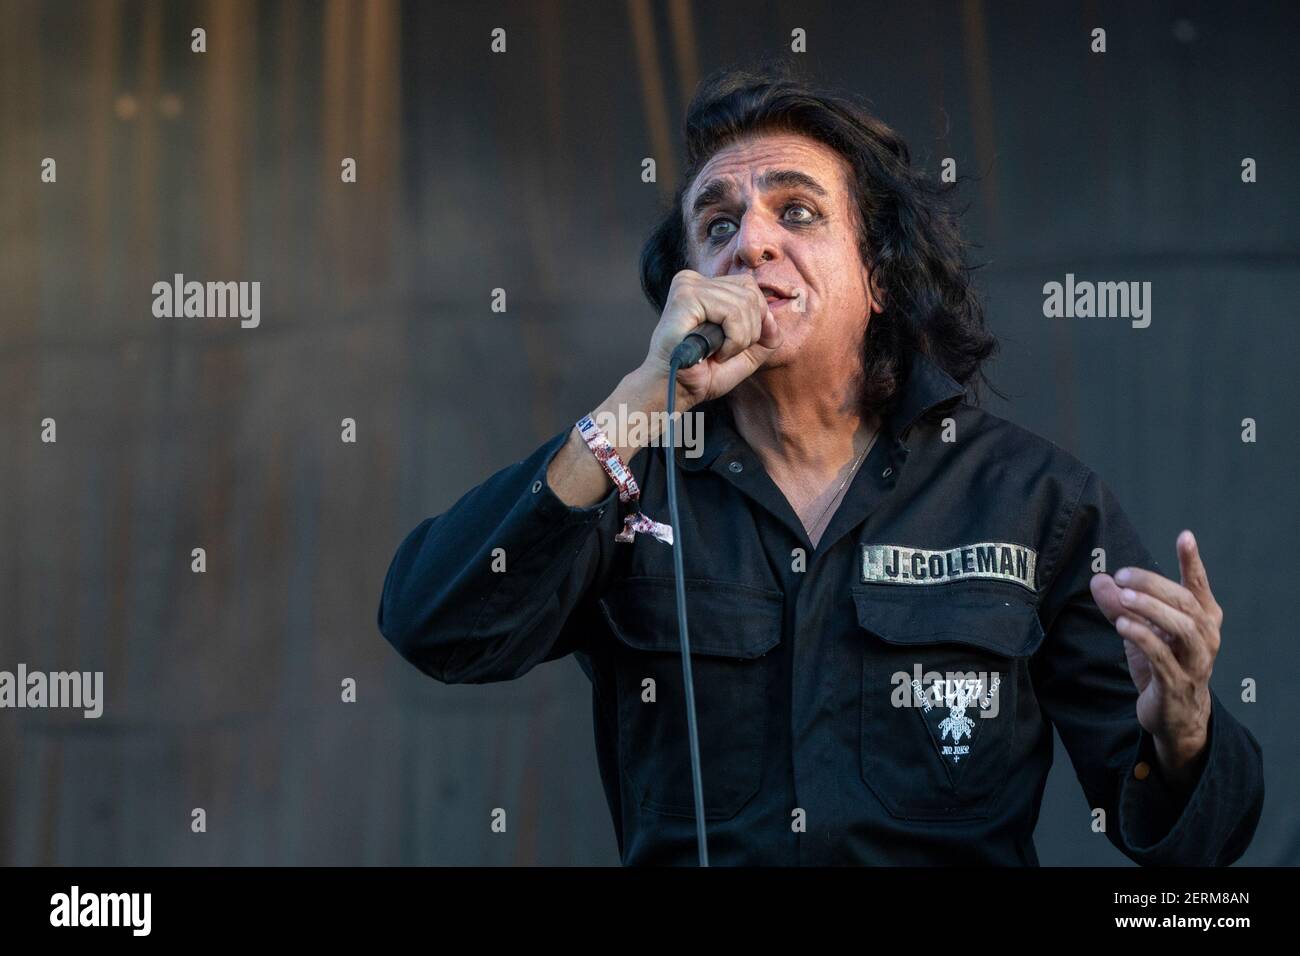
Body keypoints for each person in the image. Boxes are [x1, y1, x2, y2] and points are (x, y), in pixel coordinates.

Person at [377, 68, 1264, 865]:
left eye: (795, 212)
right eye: (717, 224)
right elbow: (435, 627)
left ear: (878, 274)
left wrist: (1183, 732)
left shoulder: (1033, 502)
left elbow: (1197, 852)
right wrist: (640, 398)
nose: (751, 243)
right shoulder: (632, 481)